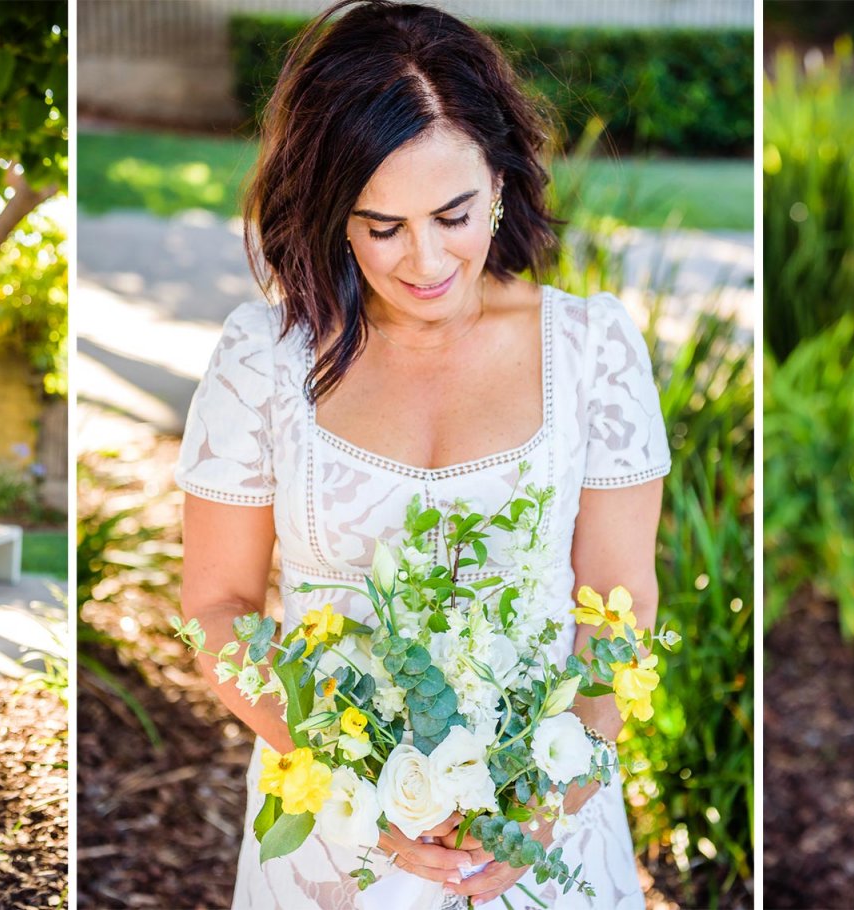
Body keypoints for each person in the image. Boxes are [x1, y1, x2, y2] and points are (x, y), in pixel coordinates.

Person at [173, 2, 667, 907]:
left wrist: (550, 802)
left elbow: (622, 600)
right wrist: (351, 778)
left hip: (546, 830)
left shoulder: (592, 349)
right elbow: (218, 604)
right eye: (381, 226)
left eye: (454, 214)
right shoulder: (263, 358)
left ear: (502, 184)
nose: (426, 260)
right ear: (332, 216)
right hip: (330, 833)